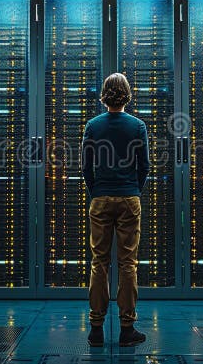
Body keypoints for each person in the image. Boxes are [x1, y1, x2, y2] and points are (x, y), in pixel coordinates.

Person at [81, 73, 150, 347]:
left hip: (100, 199)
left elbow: (86, 167)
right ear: (127, 94)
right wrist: (133, 189)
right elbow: (144, 166)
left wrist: (96, 190)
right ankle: (126, 328)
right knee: (128, 264)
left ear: (104, 94)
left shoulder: (93, 125)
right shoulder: (137, 126)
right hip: (129, 199)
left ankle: (96, 329)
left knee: (99, 263)